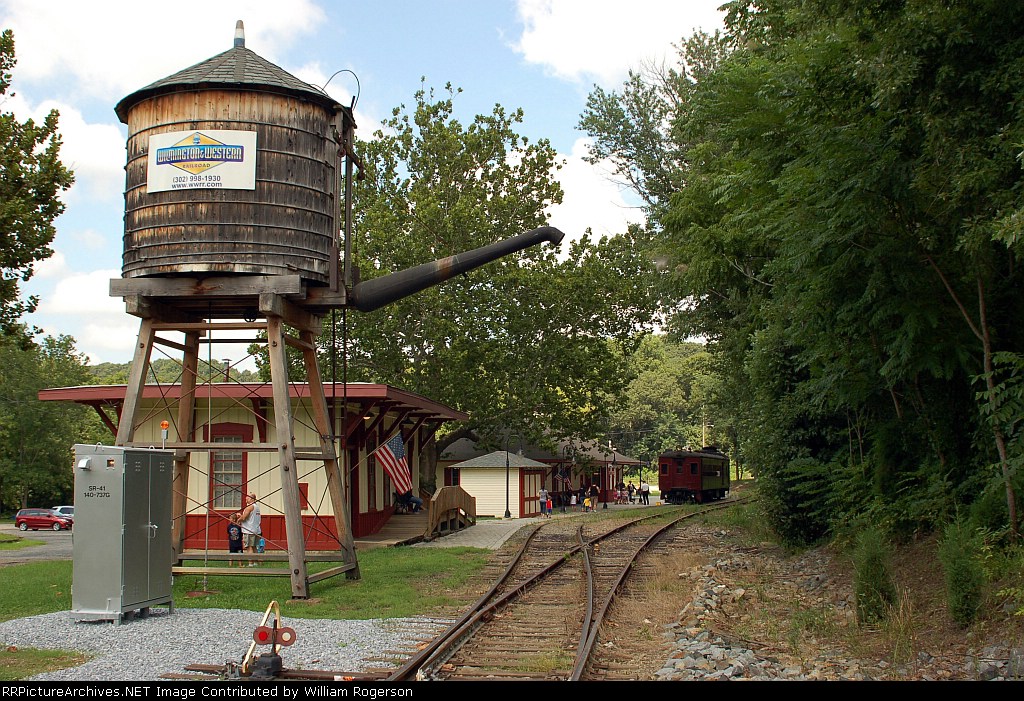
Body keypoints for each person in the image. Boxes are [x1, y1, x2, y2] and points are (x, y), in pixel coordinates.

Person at [239, 491, 261, 566]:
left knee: (249, 547)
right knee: (254, 547)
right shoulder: (257, 507)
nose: (246, 498)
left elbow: (244, 517)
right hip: (256, 530)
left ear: (252, 499)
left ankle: (250, 563)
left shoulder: (249, 507)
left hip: (249, 530)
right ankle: (256, 562)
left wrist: (238, 518)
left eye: (248, 497)